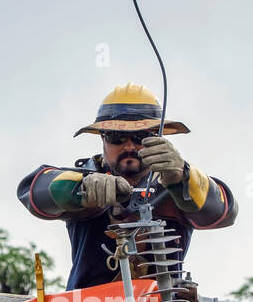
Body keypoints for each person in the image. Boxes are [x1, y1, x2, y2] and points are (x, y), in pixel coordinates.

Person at [17, 83, 237, 290]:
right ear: (102, 138)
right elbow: (33, 191)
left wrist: (183, 176)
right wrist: (80, 189)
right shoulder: (85, 177)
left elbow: (224, 211)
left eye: (141, 136)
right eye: (116, 137)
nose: (130, 146)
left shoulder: (177, 185)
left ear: (158, 137)